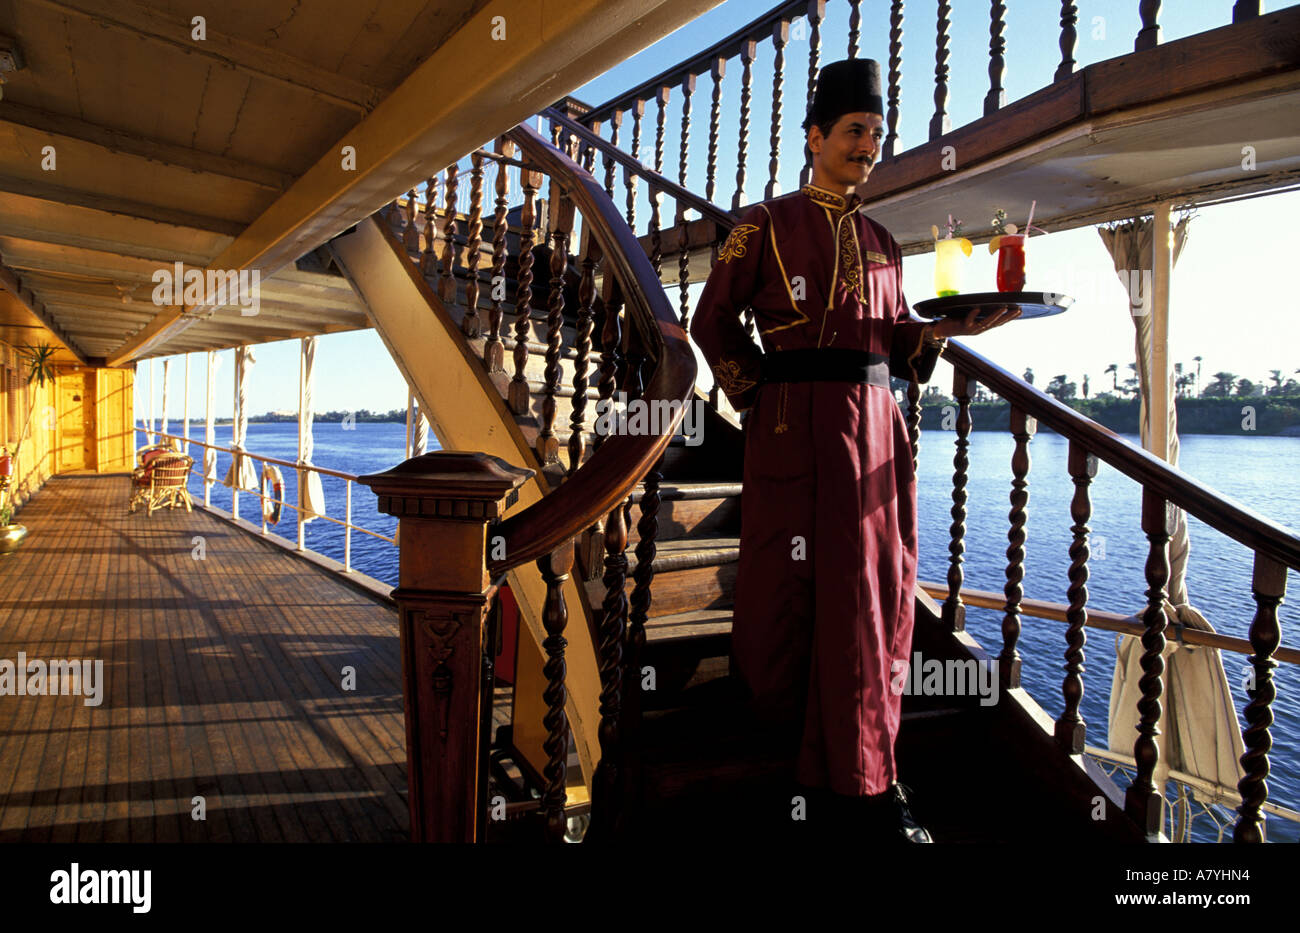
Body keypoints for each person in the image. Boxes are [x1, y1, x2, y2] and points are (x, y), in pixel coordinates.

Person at [690, 58, 1018, 841]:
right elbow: (710, 324)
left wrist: (945, 328)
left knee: (874, 595)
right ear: (815, 137)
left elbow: (895, 344)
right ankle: (794, 755)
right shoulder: (761, 226)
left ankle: (871, 771)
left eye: (876, 133)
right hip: (795, 430)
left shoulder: (881, 241)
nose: (867, 145)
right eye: (852, 131)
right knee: (792, 592)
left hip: (874, 432)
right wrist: (759, 398)